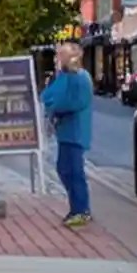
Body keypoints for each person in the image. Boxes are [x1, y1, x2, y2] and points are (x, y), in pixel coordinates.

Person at [41, 42, 94, 227]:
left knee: (73, 171)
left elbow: (75, 102)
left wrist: (55, 108)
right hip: (65, 132)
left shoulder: (80, 78)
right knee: (64, 169)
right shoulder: (64, 76)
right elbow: (48, 96)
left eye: (60, 55)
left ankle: (81, 209)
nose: (57, 59)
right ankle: (77, 207)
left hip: (75, 132)